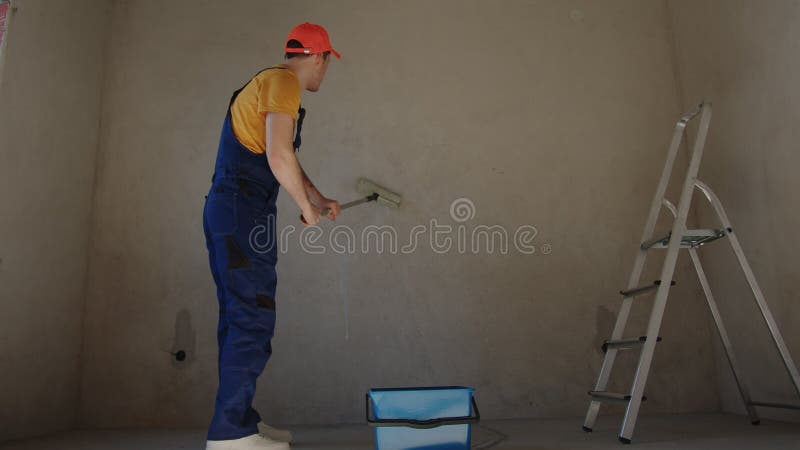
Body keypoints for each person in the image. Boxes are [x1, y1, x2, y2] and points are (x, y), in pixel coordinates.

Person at [202, 22, 341, 450]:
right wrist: (303, 208)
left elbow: (282, 156)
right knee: (252, 317)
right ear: (317, 56)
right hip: (242, 213)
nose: (324, 73)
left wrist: (315, 198)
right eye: (326, 63)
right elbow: (280, 155)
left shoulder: (268, 84)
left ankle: (241, 421)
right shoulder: (284, 81)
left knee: (240, 317)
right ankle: (229, 435)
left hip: (235, 212)